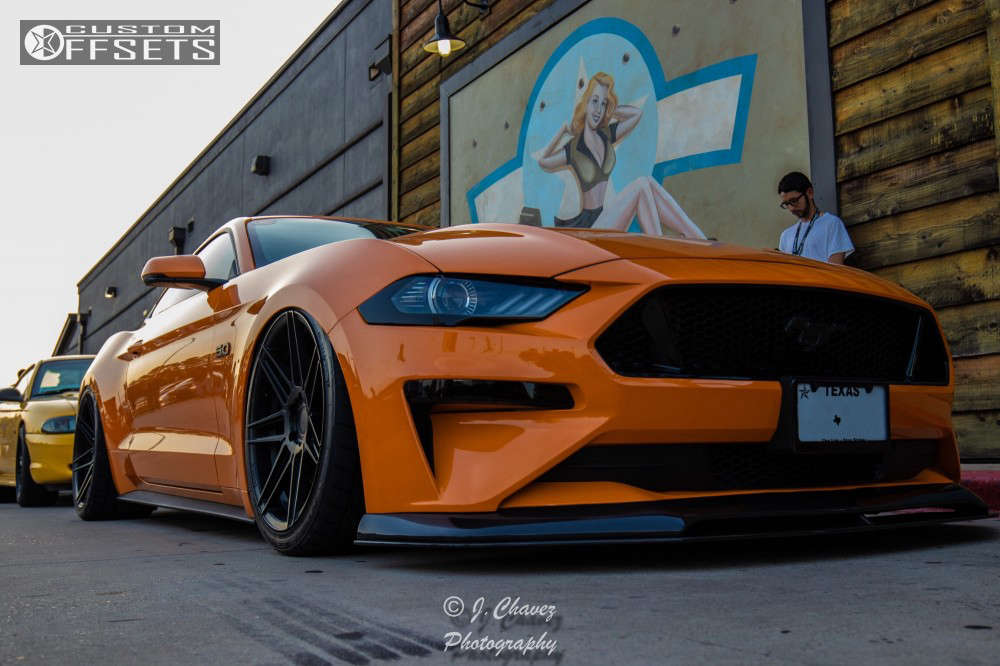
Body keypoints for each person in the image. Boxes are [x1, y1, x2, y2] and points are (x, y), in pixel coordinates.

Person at [537, 72, 706, 239]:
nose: (598, 109)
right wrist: (562, 132)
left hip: (606, 220)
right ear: (586, 104)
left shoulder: (606, 135)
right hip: (590, 230)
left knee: (648, 183)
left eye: (603, 104)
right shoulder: (573, 148)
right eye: (594, 101)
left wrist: (610, 109)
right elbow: (544, 161)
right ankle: (661, 246)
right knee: (641, 186)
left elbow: (636, 115)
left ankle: (699, 239)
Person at [777, 171, 853, 264]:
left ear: (810, 193)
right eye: (786, 204)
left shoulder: (832, 224)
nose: (791, 208)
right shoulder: (786, 236)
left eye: (794, 201)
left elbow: (836, 270)